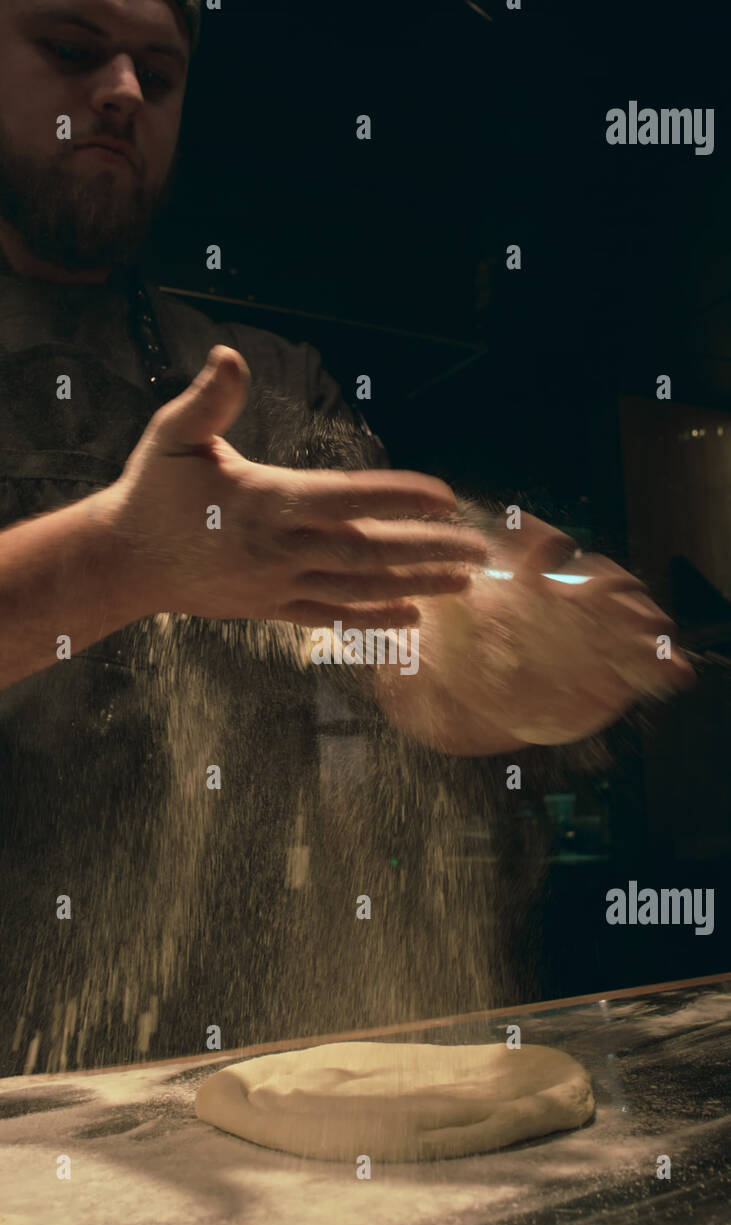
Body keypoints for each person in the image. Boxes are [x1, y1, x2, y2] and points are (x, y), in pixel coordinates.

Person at [0, 0, 693, 1076]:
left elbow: (375, 651)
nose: (125, 93)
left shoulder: (268, 385)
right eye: (75, 49)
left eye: (162, 73)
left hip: (216, 1075)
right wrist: (117, 559)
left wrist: (490, 662)